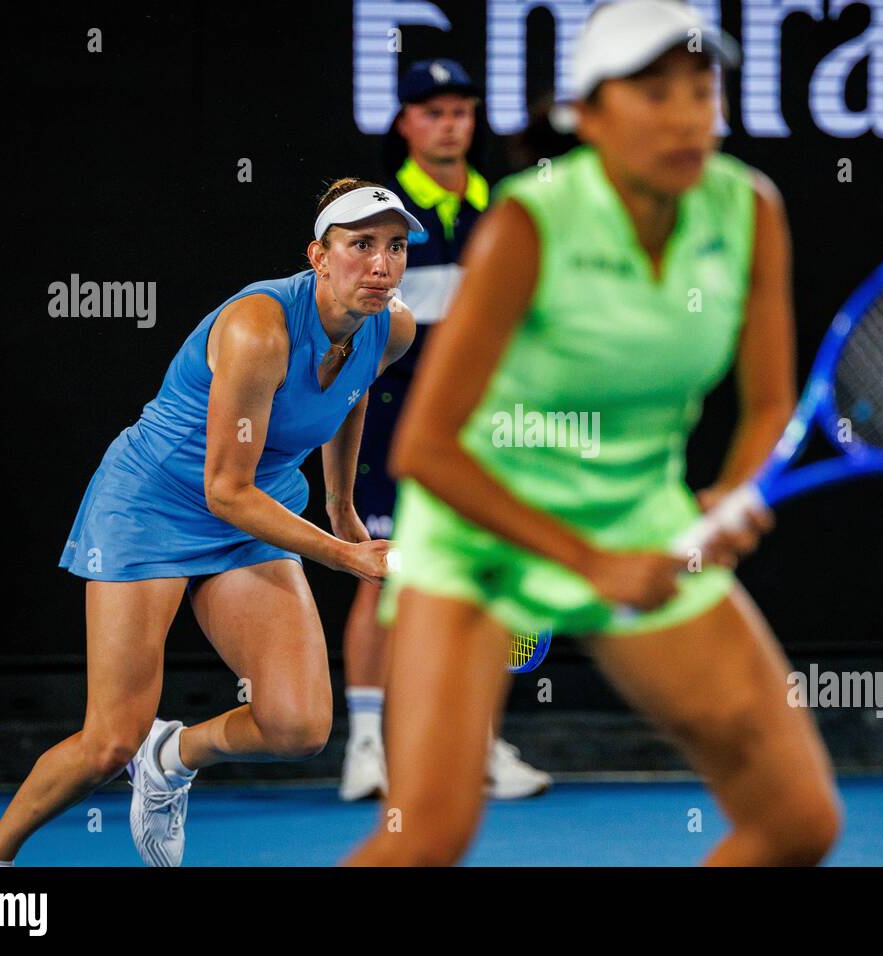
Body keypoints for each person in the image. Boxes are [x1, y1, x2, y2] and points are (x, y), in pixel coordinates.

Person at [345, 0, 842, 866]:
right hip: (480, 534)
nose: (689, 115)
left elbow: (769, 405)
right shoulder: (529, 227)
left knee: (799, 821)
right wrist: (590, 563)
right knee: (426, 836)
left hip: (641, 519)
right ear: (592, 113)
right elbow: (425, 449)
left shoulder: (748, 209)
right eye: (656, 93)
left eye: (701, 89)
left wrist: (731, 496)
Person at [0, 179, 419, 867]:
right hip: (153, 503)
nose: (381, 265)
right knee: (109, 742)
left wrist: (342, 507)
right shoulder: (258, 328)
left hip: (253, 505)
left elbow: (350, 401)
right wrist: (347, 557)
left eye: (396, 247)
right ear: (319, 256)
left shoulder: (391, 325)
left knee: (298, 727)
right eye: (360, 246)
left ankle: (172, 757)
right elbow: (225, 490)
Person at [340, 58, 550, 801]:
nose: (449, 123)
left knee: (486, 585)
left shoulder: (513, 207)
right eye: (432, 111)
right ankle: (366, 748)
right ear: (404, 123)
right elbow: (354, 320)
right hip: (394, 426)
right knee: (382, 578)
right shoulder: (381, 217)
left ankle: (480, 743)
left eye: (460, 109)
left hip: (487, 432)